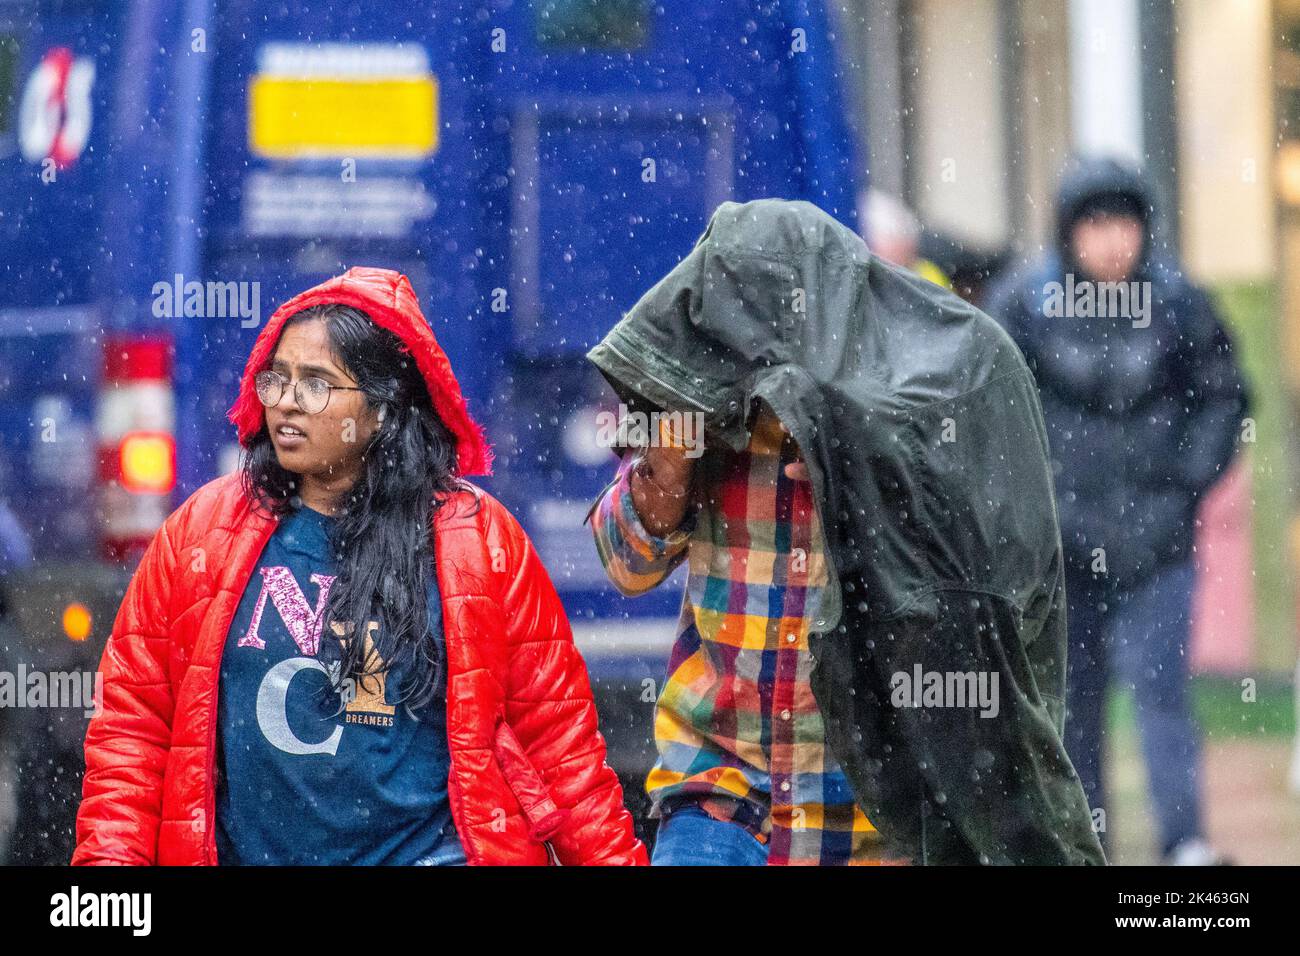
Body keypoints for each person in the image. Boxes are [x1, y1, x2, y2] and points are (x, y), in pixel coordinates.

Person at [587, 198, 1103, 866]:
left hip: (864, 806)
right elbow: (626, 563)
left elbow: (985, 575)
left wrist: (866, 473)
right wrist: (669, 460)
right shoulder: (704, 408)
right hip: (720, 791)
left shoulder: (899, 412)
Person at [73, 267, 646, 866]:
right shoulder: (202, 534)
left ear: (381, 410)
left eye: (317, 384)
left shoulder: (480, 542)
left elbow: (563, 751)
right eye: (278, 379)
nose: (288, 401)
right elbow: (131, 733)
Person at [985, 157, 1250, 865]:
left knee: (1163, 698)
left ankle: (1184, 843)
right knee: (1074, 711)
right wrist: (1036, 501)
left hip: (1157, 547)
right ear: (1069, 231)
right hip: (1062, 554)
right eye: (1096, 225)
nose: (1112, 242)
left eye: (1124, 224)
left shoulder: (1180, 303)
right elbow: (990, 403)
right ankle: (1084, 845)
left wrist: (1183, 486)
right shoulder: (1024, 305)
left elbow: (1225, 396)